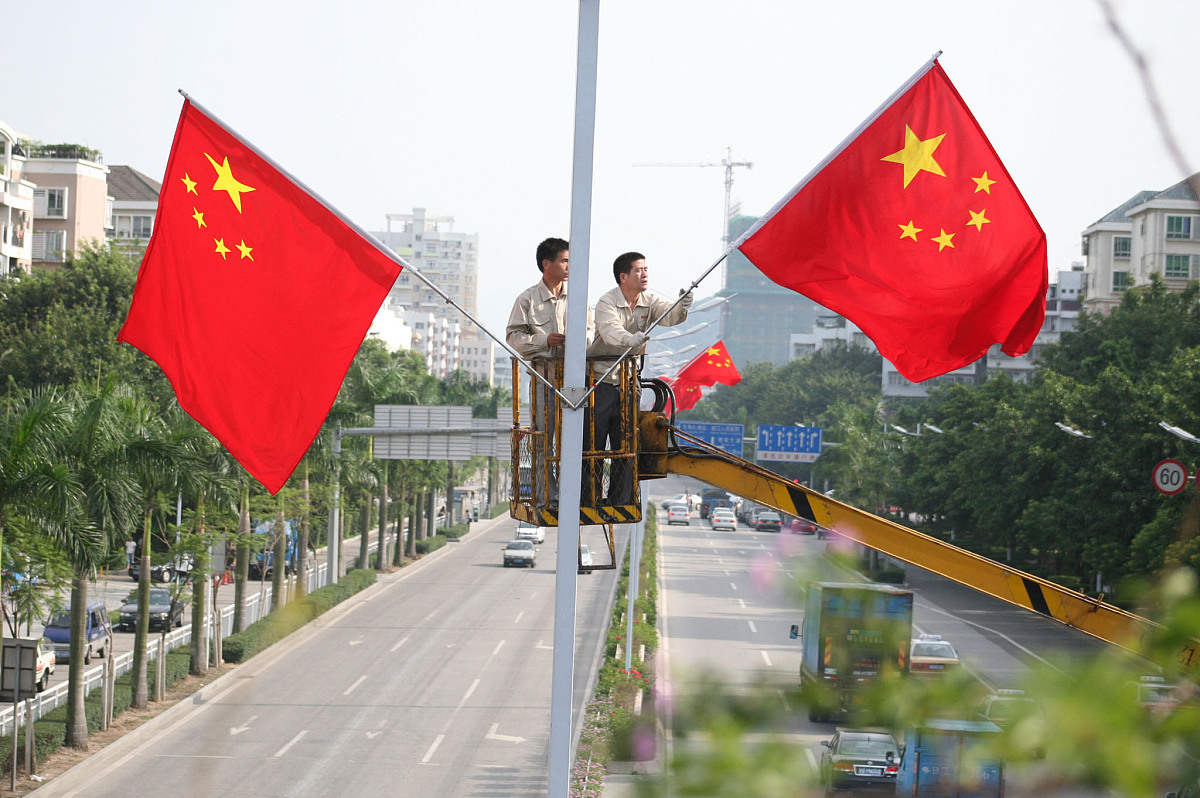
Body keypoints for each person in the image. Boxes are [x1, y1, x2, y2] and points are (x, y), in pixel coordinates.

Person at [587, 251, 693, 505]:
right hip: (600, 379)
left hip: (628, 379)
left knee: (625, 443)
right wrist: (629, 339)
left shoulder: (649, 300)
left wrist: (682, 305)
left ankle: (620, 498)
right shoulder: (607, 302)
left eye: (646, 269)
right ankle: (588, 496)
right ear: (623, 276)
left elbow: (667, 315)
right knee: (594, 443)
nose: (644, 274)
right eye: (638, 270)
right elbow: (611, 331)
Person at [506, 238, 593, 508]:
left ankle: (577, 492)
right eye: (565, 261)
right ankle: (549, 495)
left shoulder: (579, 296)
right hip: (544, 379)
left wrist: (580, 342)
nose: (569, 266)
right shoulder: (527, 299)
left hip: (577, 379)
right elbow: (513, 337)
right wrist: (544, 341)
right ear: (547, 264)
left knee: (577, 437)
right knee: (544, 438)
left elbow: (592, 331)